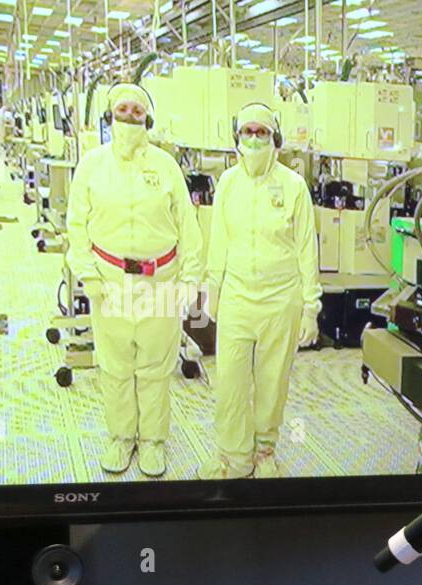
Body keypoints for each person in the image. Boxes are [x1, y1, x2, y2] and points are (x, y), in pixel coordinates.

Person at [66, 83, 203, 477]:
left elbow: (188, 226)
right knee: (115, 366)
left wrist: (191, 279)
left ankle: (153, 441)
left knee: (156, 365)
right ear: (110, 116)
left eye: (136, 111)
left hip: (161, 278)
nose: (129, 116)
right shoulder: (91, 165)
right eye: (121, 110)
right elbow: (75, 224)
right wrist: (87, 274)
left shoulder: (165, 166)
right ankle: (122, 437)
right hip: (108, 279)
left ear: (148, 117)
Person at [199, 102, 321, 480]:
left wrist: (311, 307)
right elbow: (218, 238)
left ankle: (265, 452)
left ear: (275, 139)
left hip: (281, 299)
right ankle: (231, 457)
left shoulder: (293, 186)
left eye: (262, 132)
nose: (254, 138)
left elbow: (306, 248)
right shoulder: (227, 184)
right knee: (230, 382)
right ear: (237, 138)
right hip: (237, 295)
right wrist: (212, 287)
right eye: (247, 131)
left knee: (272, 381)